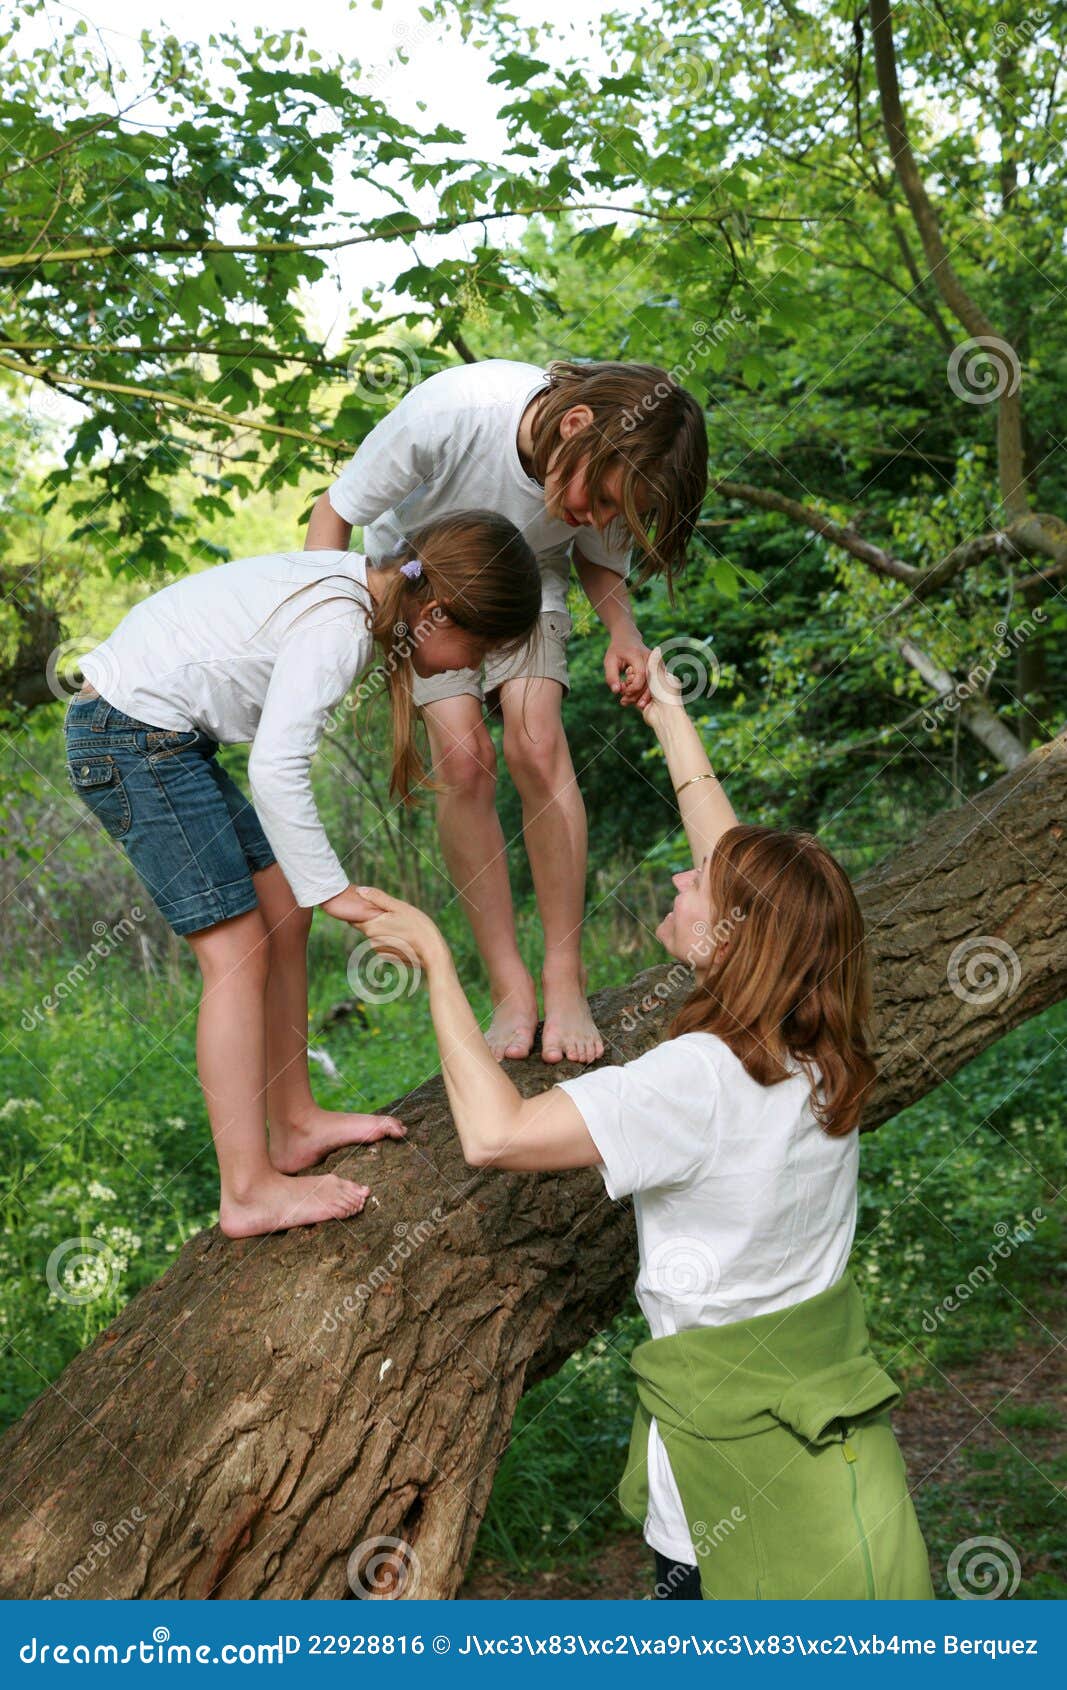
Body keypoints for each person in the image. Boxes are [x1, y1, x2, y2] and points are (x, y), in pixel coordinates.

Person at [352, 648, 934, 1601]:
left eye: (695, 885)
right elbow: (740, 869)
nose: (678, 879)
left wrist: (436, 964)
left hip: (731, 1505)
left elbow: (495, 1135)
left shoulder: (695, 1080)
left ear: (734, 940)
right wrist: (666, 712)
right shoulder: (827, 1050)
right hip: (846, 1476)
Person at [65, 512, 541, 1240]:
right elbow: (275, 769)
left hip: (160, 737)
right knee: (236, 953)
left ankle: (293, 1122)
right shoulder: (341, 629)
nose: (465, 671)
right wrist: (338, 893)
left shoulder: (356, 597)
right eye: (474, 651)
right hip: (129, 737)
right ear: (438, 613)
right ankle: (246, 1189)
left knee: (284, 910)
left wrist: (315, 894)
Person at [306, 358, 707, 1066]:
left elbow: (593, 555)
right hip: (424, 580)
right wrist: (324, 636)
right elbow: (332, 512)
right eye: (601, 500)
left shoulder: (608, 460)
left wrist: (624, 632)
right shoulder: (449, 416)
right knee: (463, 761)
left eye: (616, 513)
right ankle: (508, 986)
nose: (600, 519)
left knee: (534, 740)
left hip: (531, 575)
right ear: (574, 425)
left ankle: (563, 976)